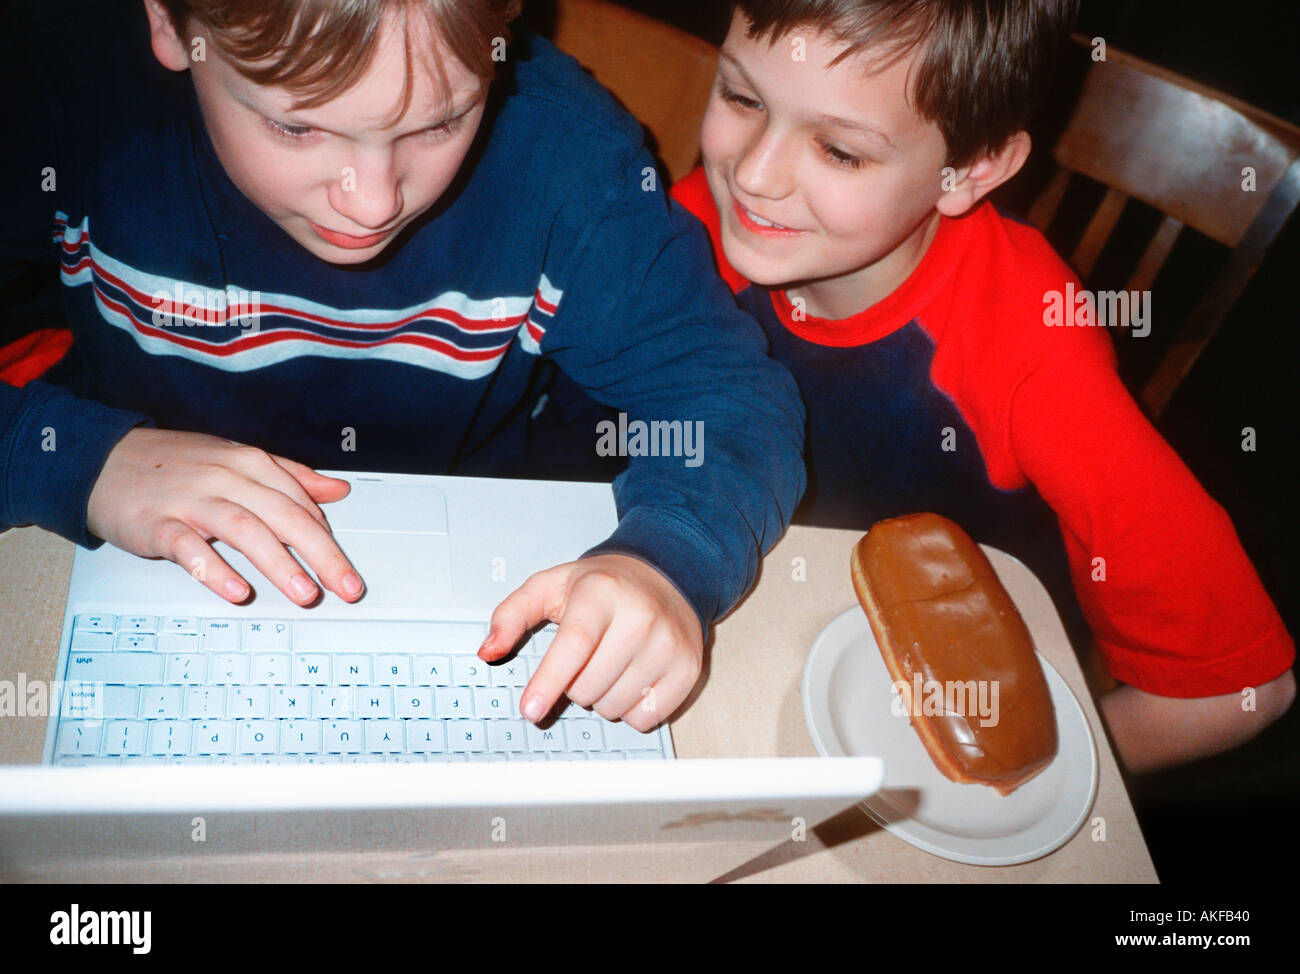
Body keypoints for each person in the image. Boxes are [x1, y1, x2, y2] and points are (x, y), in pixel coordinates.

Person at [0, 0, 806, 731]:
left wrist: (668, 557)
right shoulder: (57, 89)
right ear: (174, 29)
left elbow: (723, 398)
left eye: (440, 121)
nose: (373, 201)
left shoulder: (569, 165)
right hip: (120, 569)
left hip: (463, 590)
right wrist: (76, 456)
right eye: (297, 127)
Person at [669, 0, 1294, 772]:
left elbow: (1242, 690)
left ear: (974, 170)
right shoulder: (697, 222)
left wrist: (1030, 786)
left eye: (840, 151)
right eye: (742, 98)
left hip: (923, 719)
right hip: (743, 643)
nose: (752, 174)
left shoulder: (1036, 352)